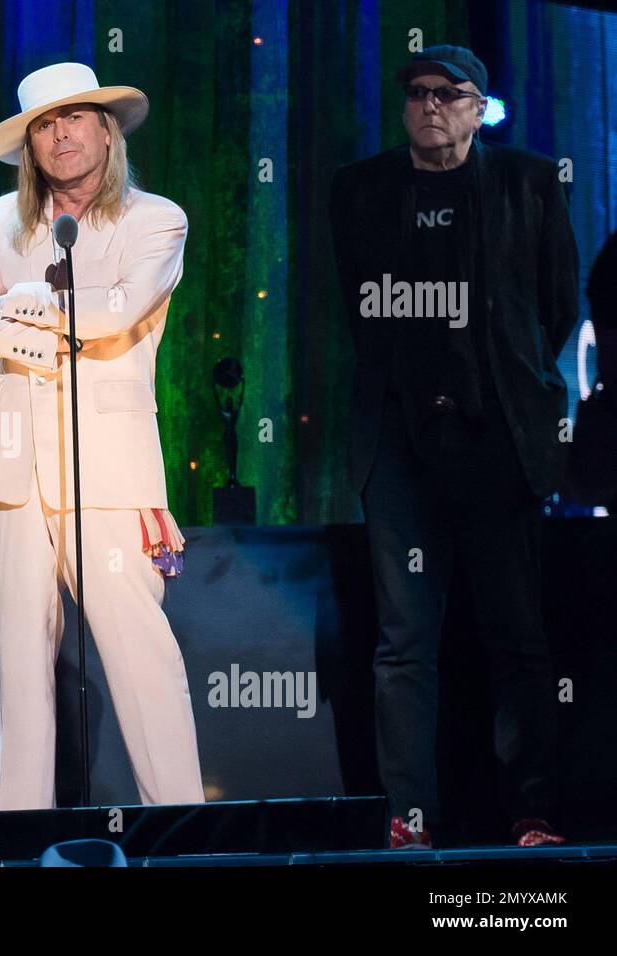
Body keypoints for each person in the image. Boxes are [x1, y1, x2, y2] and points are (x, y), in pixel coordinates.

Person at [329, 46, 578, 848]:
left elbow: (555, 303)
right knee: (404, 641)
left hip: (495, 437)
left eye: (449, 94)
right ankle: (410, 816)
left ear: (480, 109)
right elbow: (361, 309)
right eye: (417, 92)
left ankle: (530, 810)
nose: (429, 104)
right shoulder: (362, 190)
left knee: (515, 636)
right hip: (401, 444)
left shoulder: (529, 183)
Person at [0, 62, 203, 810]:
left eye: (75, 118)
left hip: (111, 473)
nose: (61, 134)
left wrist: (23, 302)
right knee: (20, 667)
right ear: (30, 145)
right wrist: (45, 337)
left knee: (140, 657)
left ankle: (183, 829)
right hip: (13, 468)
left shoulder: (157, 218)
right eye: (45, 125)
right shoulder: (0, 220)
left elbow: (119, 311)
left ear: (106, 129)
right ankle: (19, 834)